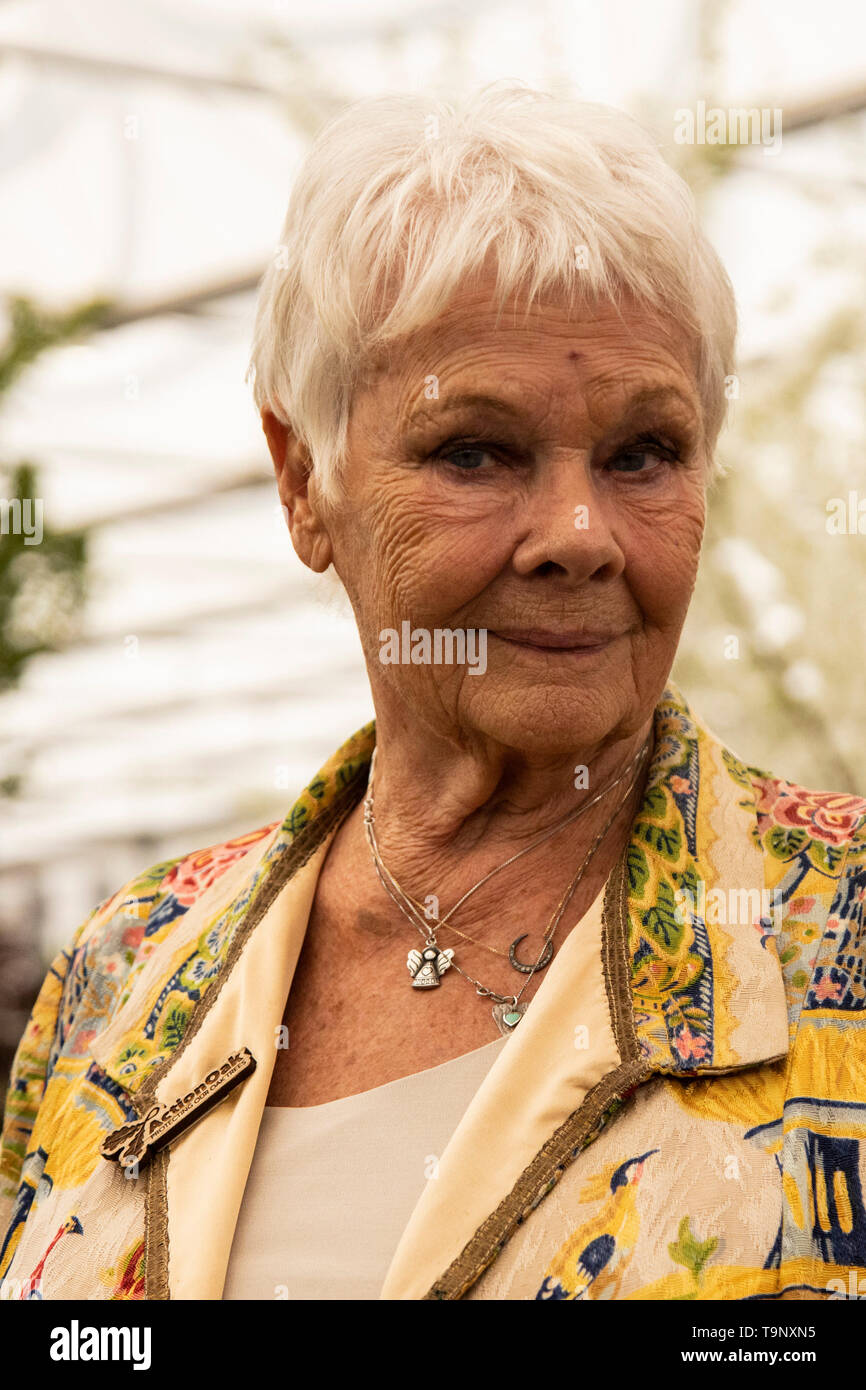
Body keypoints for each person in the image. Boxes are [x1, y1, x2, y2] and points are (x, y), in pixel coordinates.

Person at [2, 83, 865, 1302]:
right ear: (303, 483)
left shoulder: (837, 935)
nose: (579, 534)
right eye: (475, 450)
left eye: (641, 454)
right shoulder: (126, 970)